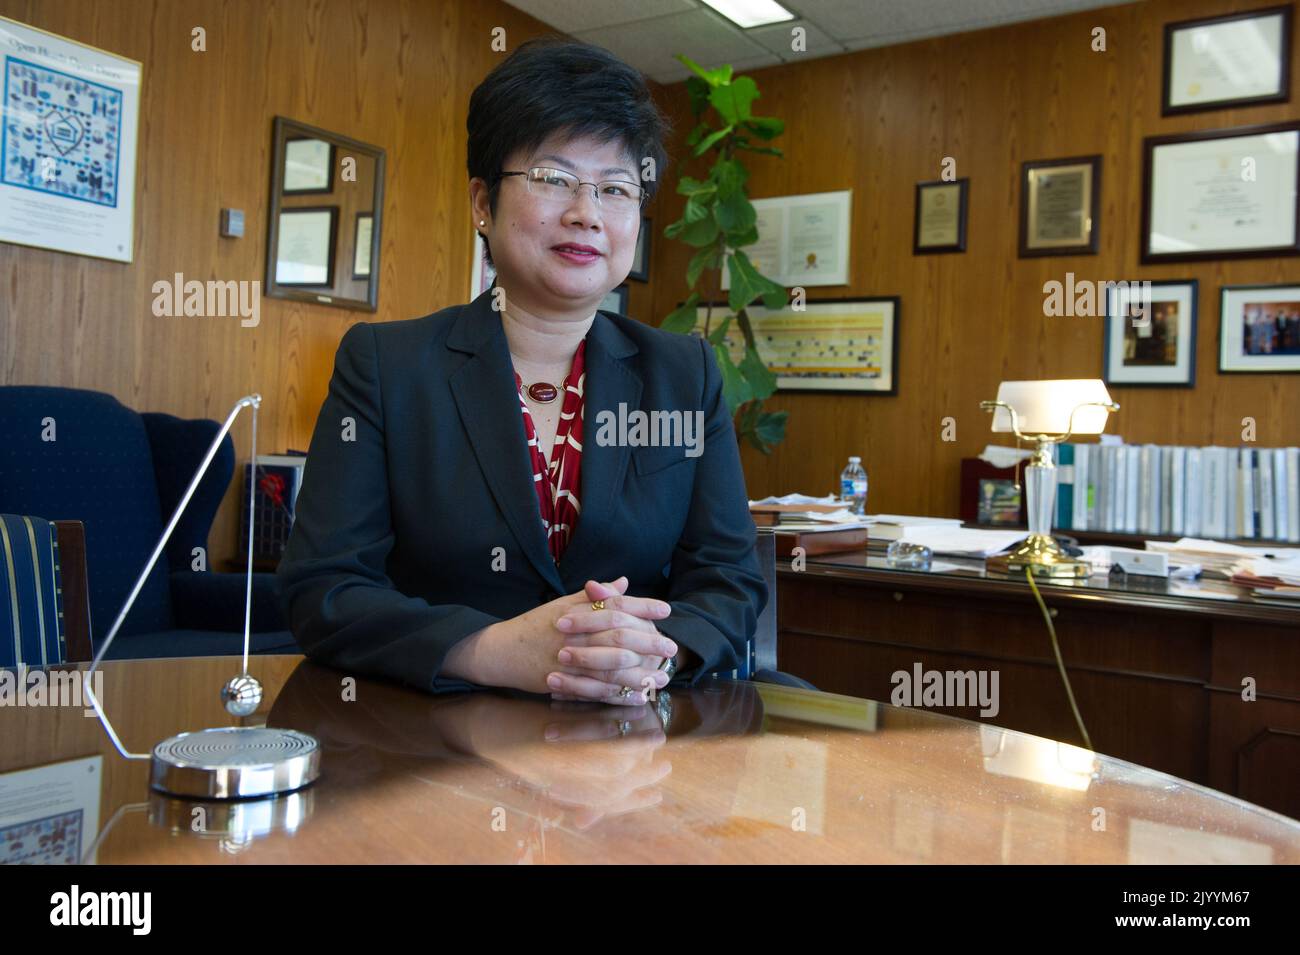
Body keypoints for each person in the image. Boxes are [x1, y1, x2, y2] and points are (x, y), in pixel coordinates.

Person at [275, 37, 767, 706]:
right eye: (553, 177)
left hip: (631, 742)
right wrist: (495, 650)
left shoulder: (683, 373)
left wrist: (656, 652)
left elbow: (728, 577)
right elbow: (323, 589)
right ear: (483, 202)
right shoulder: (387, 367)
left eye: (615, 188)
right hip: (428, 744)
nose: (586, 213)